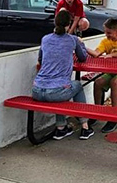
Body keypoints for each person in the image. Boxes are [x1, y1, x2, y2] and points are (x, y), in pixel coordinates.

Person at [33, 9, 94, 140]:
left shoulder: (45, 39)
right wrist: (80, 43)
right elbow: (83, 57)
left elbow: (41, 59)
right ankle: (85, 127)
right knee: (76, 85)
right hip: (56, 92)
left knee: (63, 86)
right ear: (69, 24)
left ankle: (61, 127)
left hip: (37, 90)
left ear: (55, 23)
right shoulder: (72, 40)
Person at [86, 18, 117, 134]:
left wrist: (113, 55)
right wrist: (83, 47)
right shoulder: (105, 41)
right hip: (110, 70)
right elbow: (96, 53)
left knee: (115, 82)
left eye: (109, 33)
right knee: (98, 82)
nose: (106, 35)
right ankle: (97, 111)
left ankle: (114, 115)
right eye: (106, 32)